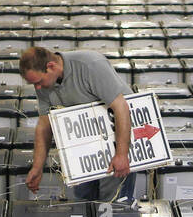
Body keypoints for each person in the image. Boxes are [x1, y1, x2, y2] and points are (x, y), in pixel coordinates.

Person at [20, 45, 137, 203]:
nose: (38, 88)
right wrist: (37, 167)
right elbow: (44, 126)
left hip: (118, 138)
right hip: (86, 144)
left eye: (39, 82)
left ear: (51, 66)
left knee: (112, 208)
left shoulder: (91, 65)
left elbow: (121, 108)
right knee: (84, 203)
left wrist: (122, 154)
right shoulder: (45, 83)